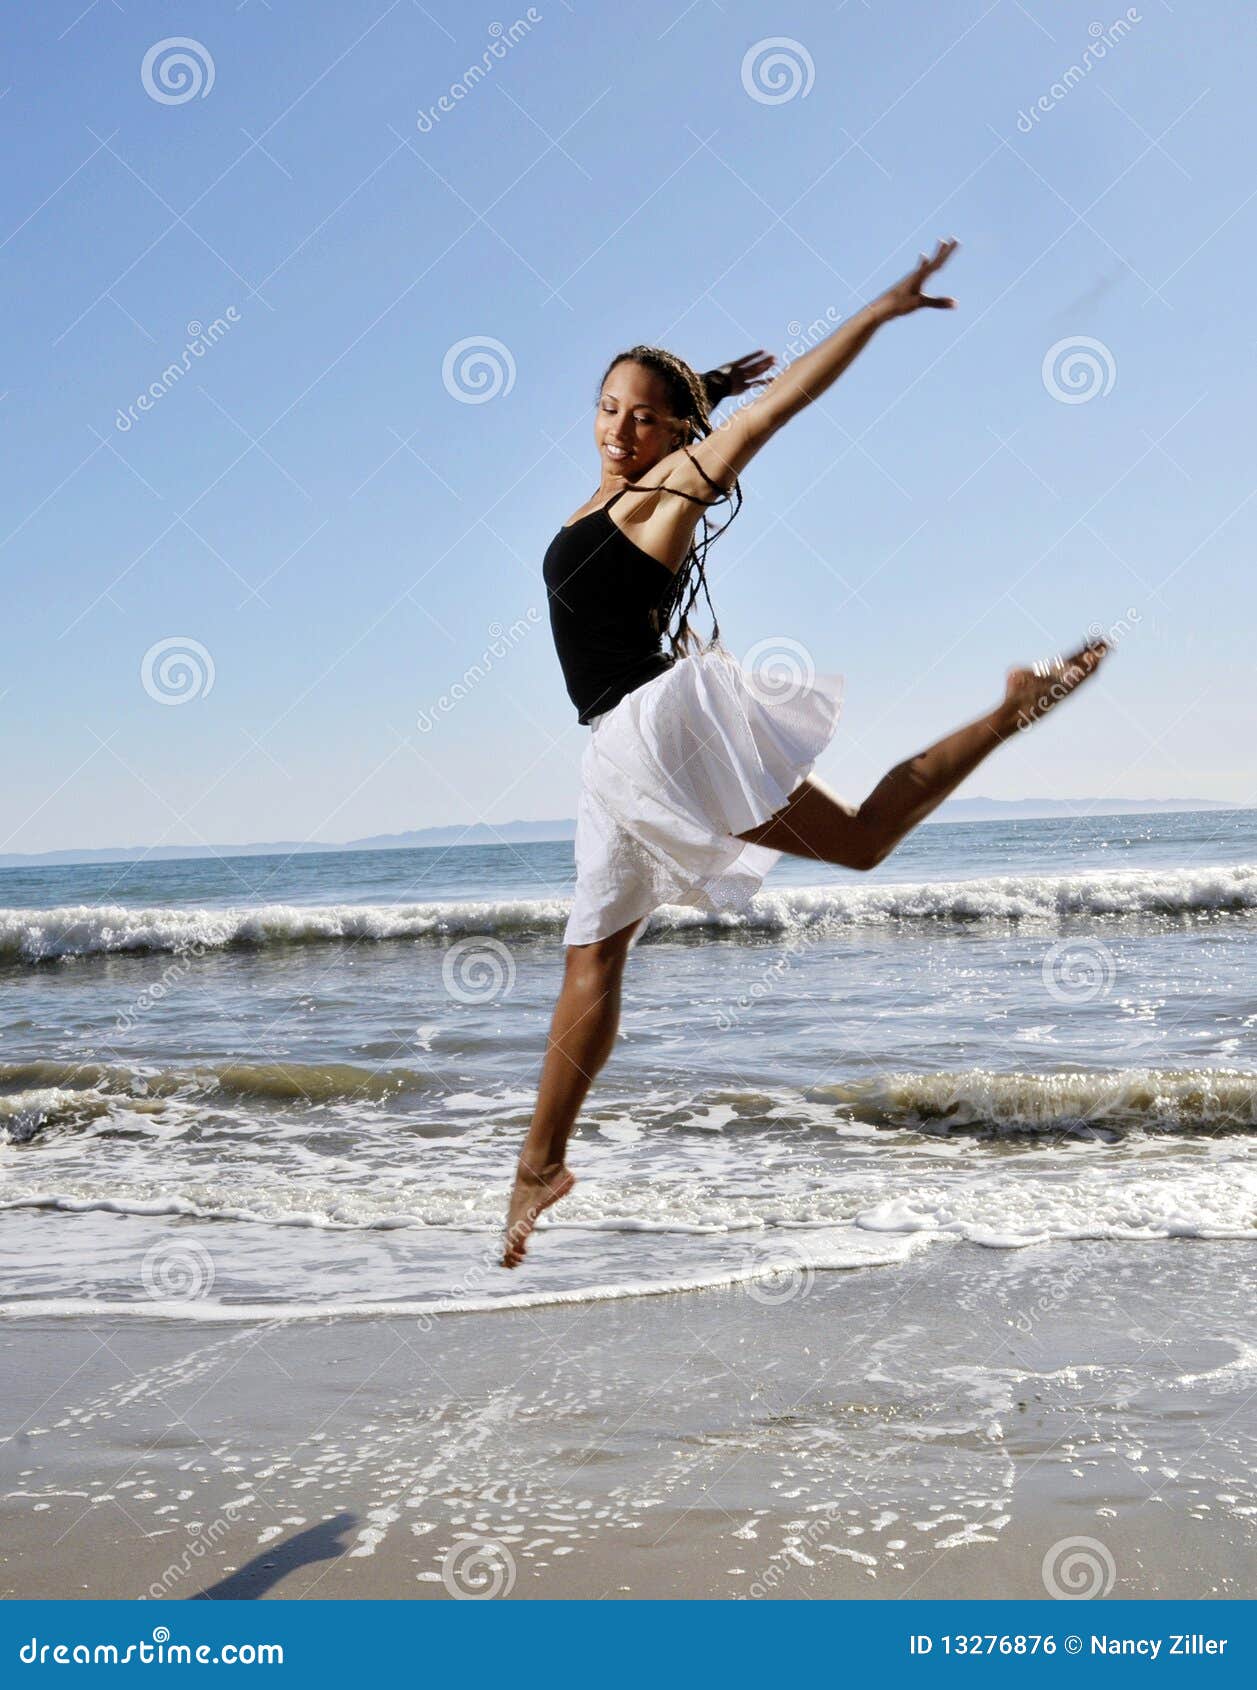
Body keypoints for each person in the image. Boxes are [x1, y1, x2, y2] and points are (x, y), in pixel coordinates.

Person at [502, 238, 1108, 1268]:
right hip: (613, 743)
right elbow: (719, 402)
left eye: (646, 414)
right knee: (594, 959)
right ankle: (538, 1167)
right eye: (610, 406)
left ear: (682, 433)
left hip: (654, 727)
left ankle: (1009, 715)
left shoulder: (670, 490)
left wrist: (873, 315)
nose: (621, 427)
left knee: (856, 845)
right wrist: (700, 384)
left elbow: (770, 416)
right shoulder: (610, 491)